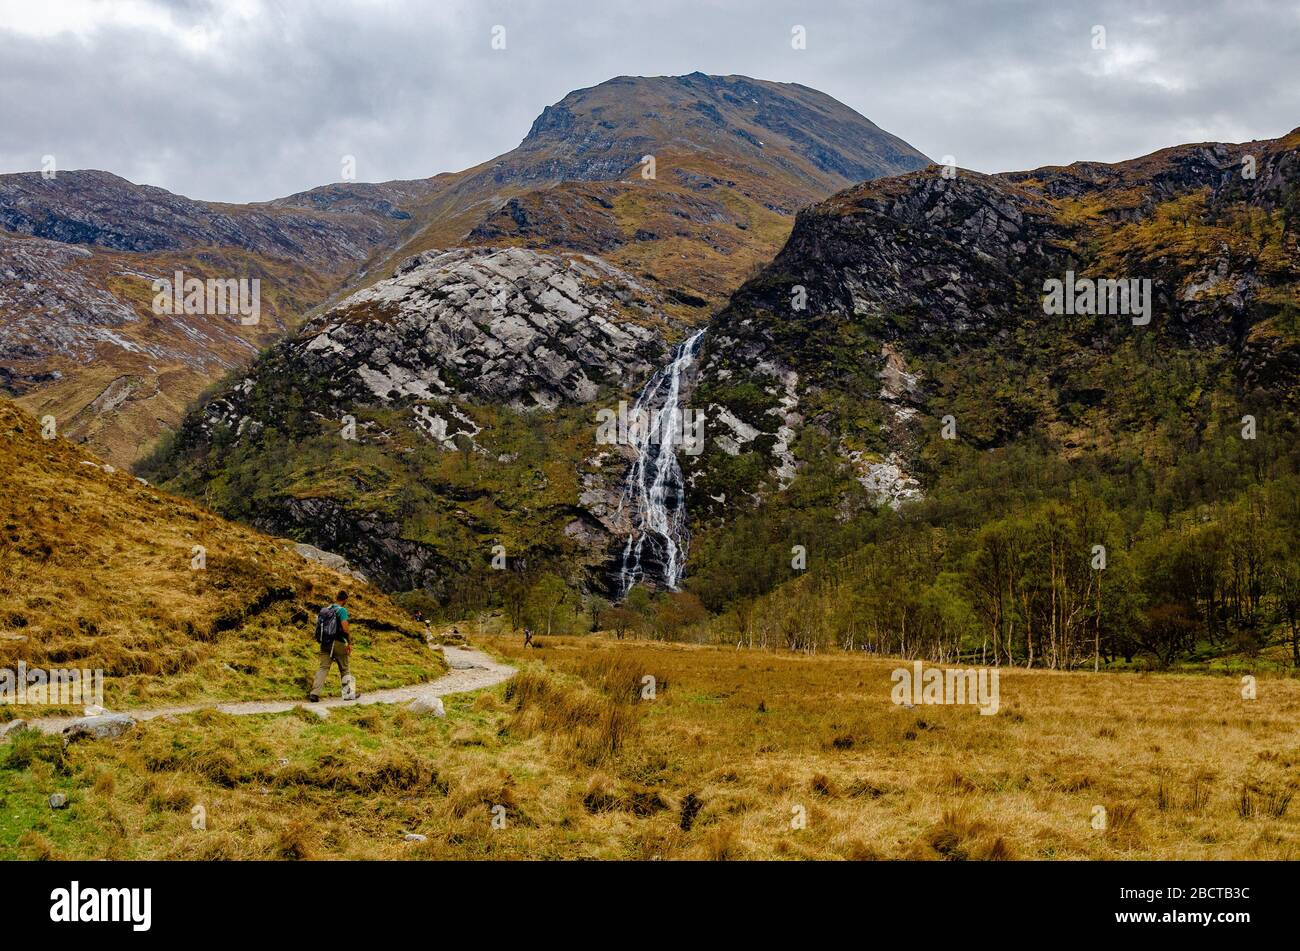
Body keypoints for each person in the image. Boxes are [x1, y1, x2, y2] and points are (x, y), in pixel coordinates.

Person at [309, 590, 355, 702]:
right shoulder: (342, 610)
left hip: (325, 643)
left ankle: (314, 693)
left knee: (323, 667)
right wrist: (349, 643)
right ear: (345, 600)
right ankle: (348, 694)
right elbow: (345, 629)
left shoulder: (327, 609)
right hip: (338, 643)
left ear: (336, 597)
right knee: (344, 668)